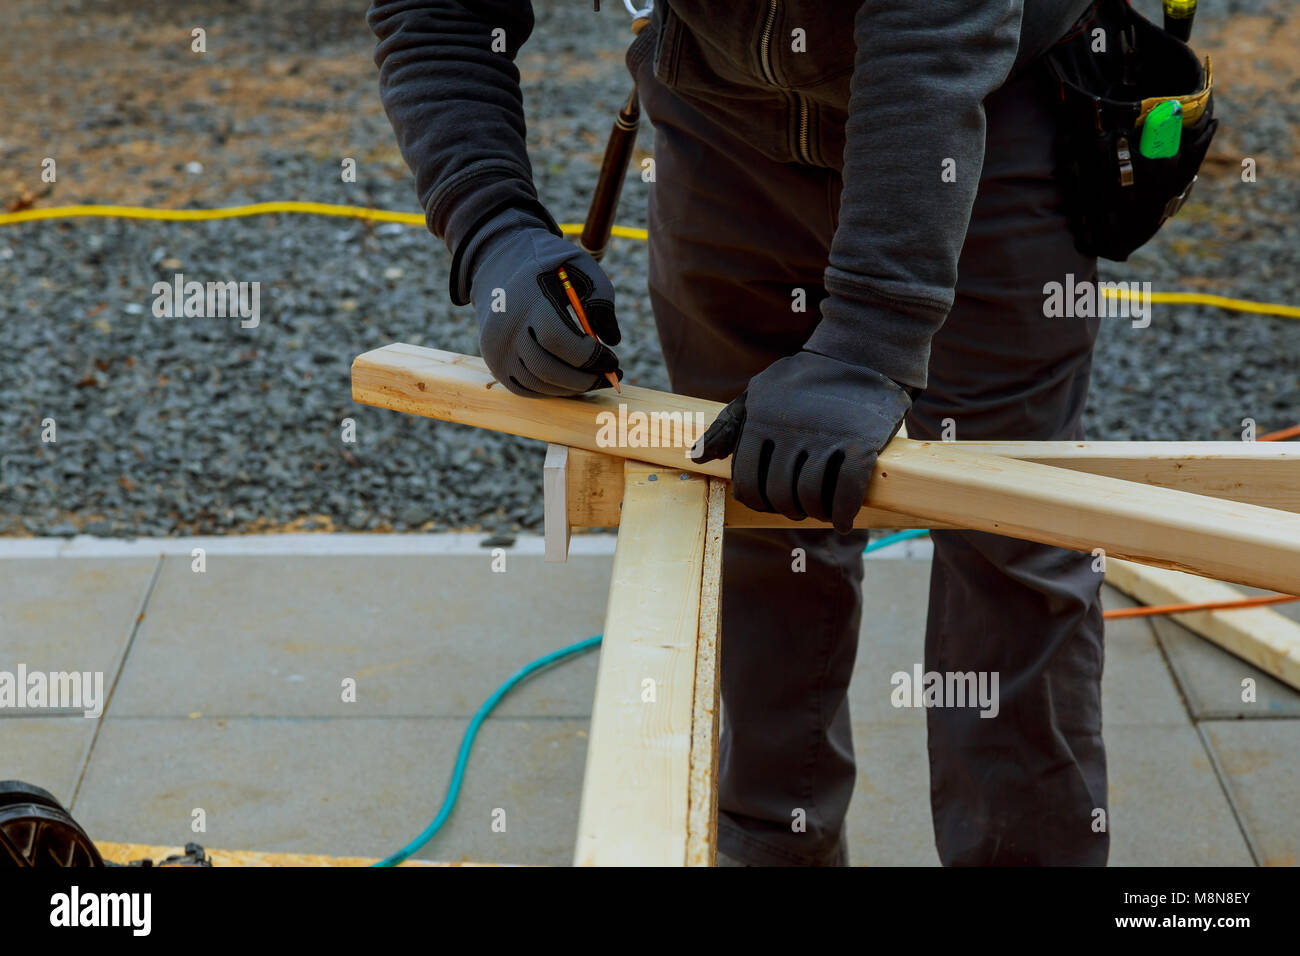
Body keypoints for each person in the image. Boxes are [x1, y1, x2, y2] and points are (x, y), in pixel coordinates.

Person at [368, 0, 1108, 866]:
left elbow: (934, 34)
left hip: (982, 110)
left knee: (1012, 532)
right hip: (720, 123)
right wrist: (492, 230)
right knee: (753, 505)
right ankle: (773, 844)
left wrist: (869, 339)